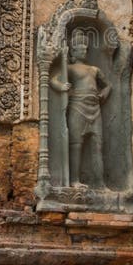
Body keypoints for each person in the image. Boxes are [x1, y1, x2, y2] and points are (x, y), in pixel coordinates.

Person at [51, 29, 111, 188]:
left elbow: (108, 86)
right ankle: (74, 180)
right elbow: (53, 79)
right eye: (80, 49)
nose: (84, 51)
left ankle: (100, 182)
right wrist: (63, 86)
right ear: (73, 51)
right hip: (77, 105)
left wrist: (104, 92)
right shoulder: (69, 68)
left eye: (85, 48)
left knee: (97, 144)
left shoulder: (94, 69)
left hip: (95, 107)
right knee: (76, 144)